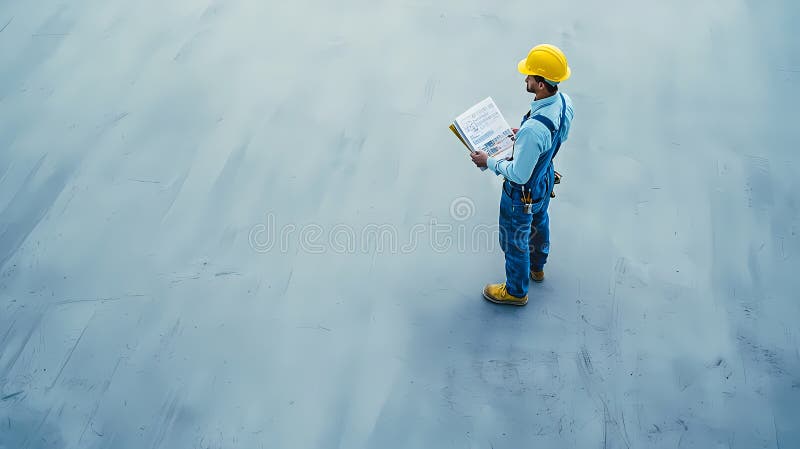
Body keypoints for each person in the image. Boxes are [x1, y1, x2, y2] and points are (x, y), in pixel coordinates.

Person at [470, 44, 575, 306]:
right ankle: (537, 268)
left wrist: (489, 161)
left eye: (529, 75)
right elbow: (557, 136)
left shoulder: (534, 131)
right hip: (544, 180)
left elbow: (517, 174)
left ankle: (516, 291)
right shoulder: (564, 102)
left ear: (540, 84)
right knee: (540, 222)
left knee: (515, 241)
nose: (525, 79)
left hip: (521, 195)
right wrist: (527, 139)